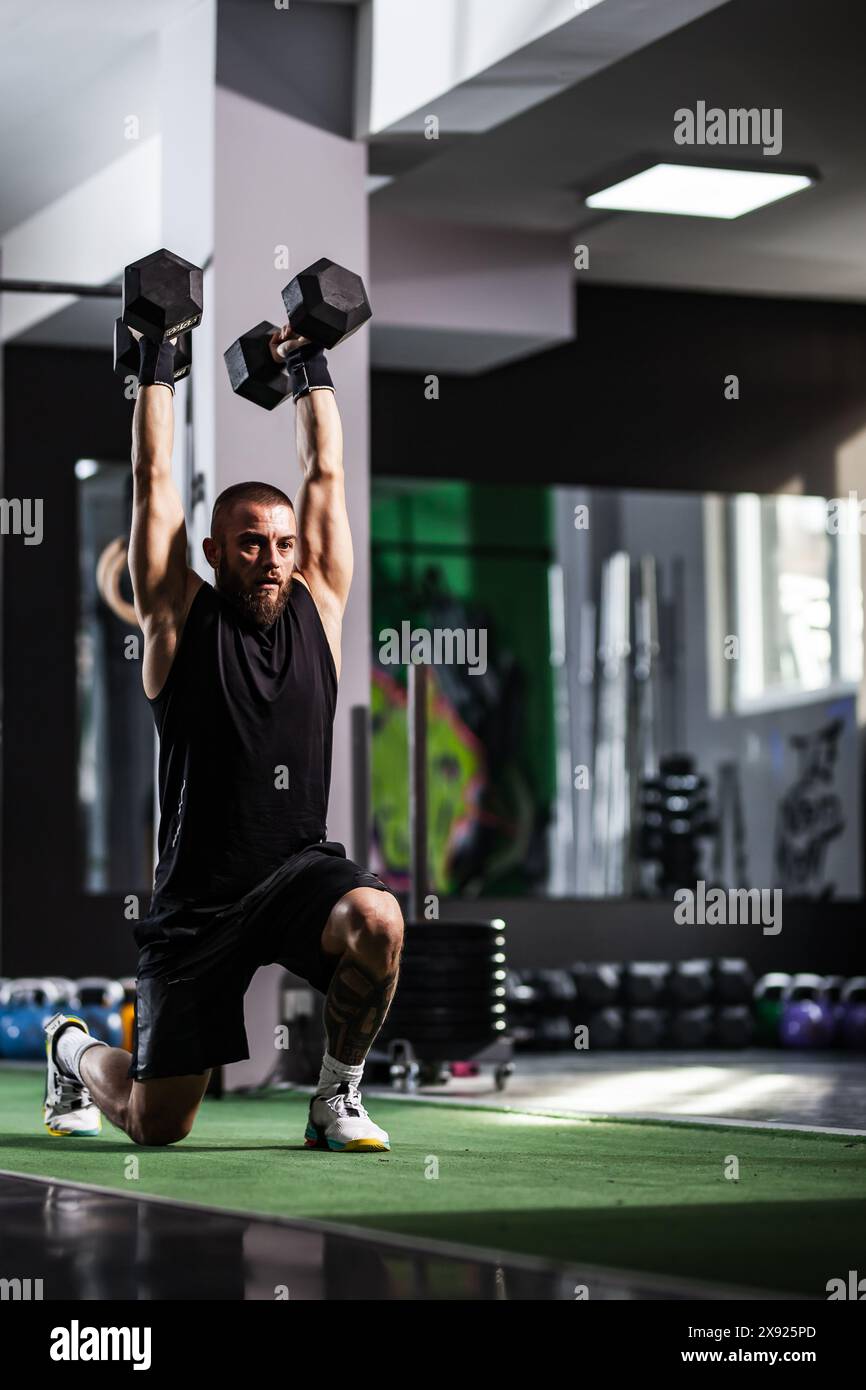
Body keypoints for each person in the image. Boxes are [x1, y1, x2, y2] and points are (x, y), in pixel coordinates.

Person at [43, 319, 404, 1151]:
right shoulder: (176, 614)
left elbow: (326, 470)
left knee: (380, 922)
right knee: (155, 1125)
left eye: (281, 544)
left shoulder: (321, 603)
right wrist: (160, 363)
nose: (272, 558)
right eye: (250, 545)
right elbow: (151, 478)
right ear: (215, 551)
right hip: (198, 904)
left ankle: (335, 1099)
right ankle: (70, 1046)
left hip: (297, 871)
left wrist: (310, 361)